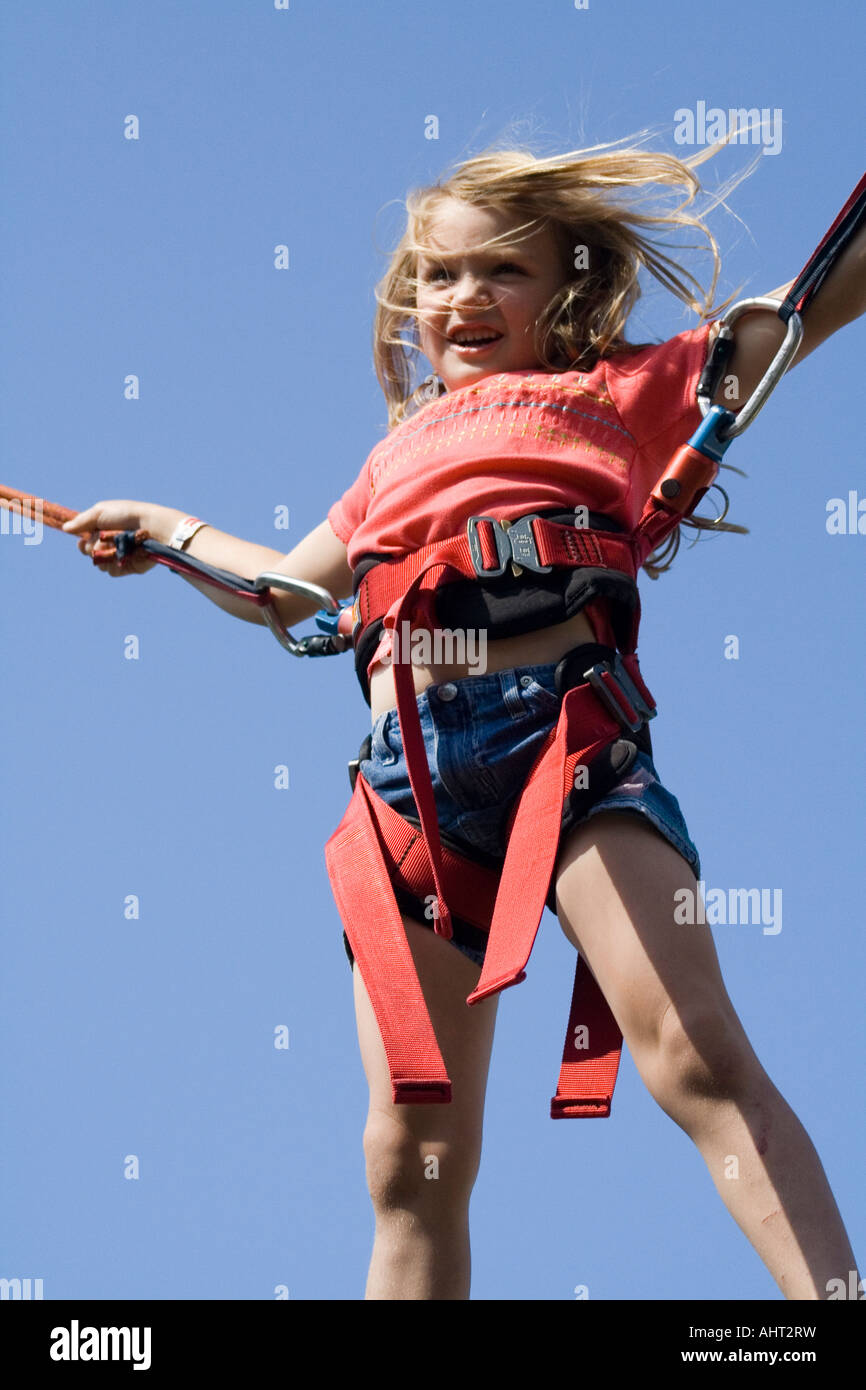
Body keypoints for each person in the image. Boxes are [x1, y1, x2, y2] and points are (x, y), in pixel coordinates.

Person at [63, 141, 864, 1301]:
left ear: (571, 290)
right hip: (409, 797)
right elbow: (287, 592)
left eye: (502, 271)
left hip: (572, 748)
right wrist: (167, 529)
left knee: (690, 1048)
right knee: (407, 1158)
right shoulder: (391, 456)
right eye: (436, 277)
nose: (463, 297)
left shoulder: (619, 392)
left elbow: (800, 313)